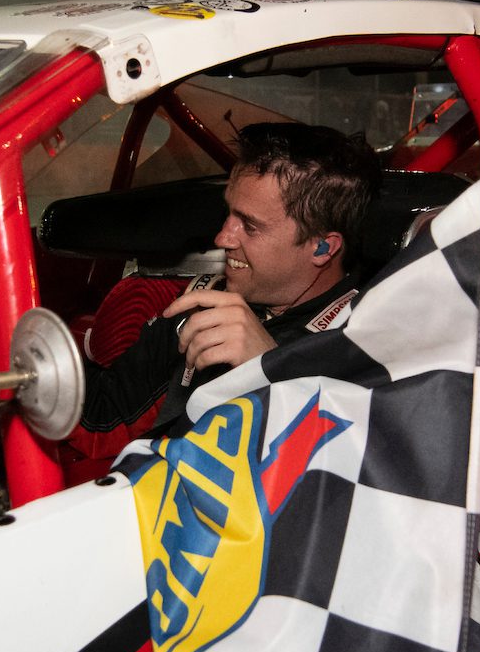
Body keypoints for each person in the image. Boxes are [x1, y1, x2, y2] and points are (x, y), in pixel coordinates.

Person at [77, 122, 380, 436]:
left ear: (321, 248)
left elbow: (361, 466)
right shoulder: (203, 303)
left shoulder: (368, 342)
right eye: (229, 213)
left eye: (249, 226)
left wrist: (270, 371)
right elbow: (103, 415)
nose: (222, 238)